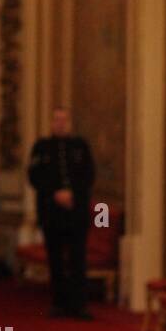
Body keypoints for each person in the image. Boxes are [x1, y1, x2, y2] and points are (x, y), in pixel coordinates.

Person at [27, 106, 95, 319]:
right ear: (51, 123)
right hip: (51, 212)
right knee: (55, 259)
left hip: (76, 212)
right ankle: (59, 303)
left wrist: (72, 194)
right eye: (56, 120)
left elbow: (89, 174)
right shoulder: (41, 147)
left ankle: (79, 304)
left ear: (70, 123)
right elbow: (34, 175)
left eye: (64, 120)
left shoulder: (80, 146)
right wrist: (55, 193)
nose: (60, 123)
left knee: (78, 259)